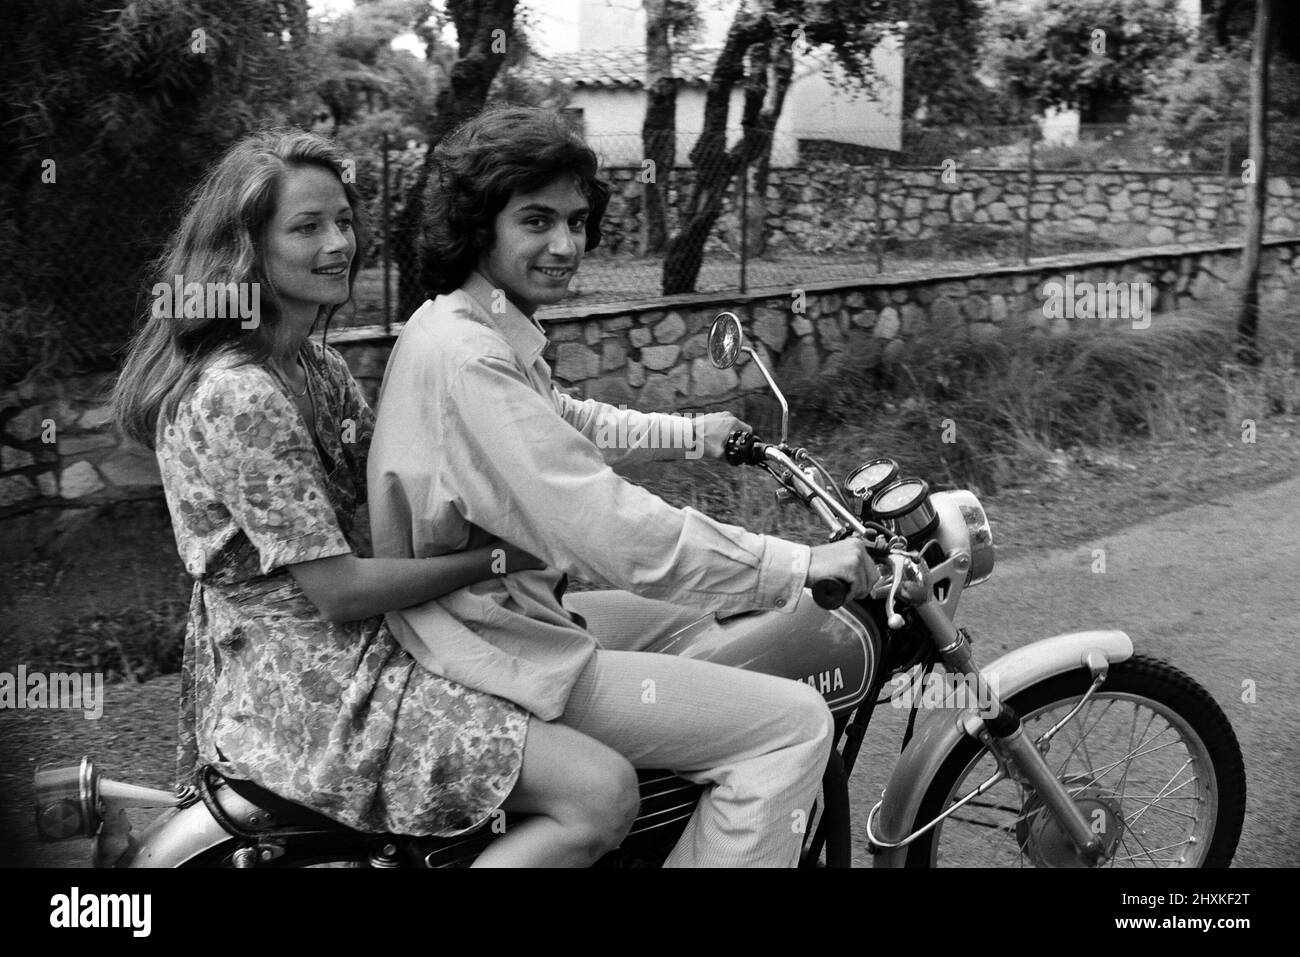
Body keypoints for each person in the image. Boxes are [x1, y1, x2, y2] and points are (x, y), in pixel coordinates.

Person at [111, 128, 641, 867]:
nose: (338, 243)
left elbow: (402, 474)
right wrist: (488, 560)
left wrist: (528, 463)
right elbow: (337, 590)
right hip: (314, 690)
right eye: (307, 227)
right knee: (601, 791)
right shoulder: (238, 393)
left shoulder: (315, 365)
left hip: (364, 645)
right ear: (246, 251)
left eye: (344, 221)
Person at [368, 107, 877, 867]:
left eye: (576, 220)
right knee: (796, 723)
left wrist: (689, 432)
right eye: (536, 220)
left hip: (507, 610)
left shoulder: (470, 324)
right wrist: (797, 565)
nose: (566, 245)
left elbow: (566, 419)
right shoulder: (470, 358)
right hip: (488, 640)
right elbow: (607, 528)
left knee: (696, 623)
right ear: (479, 225)